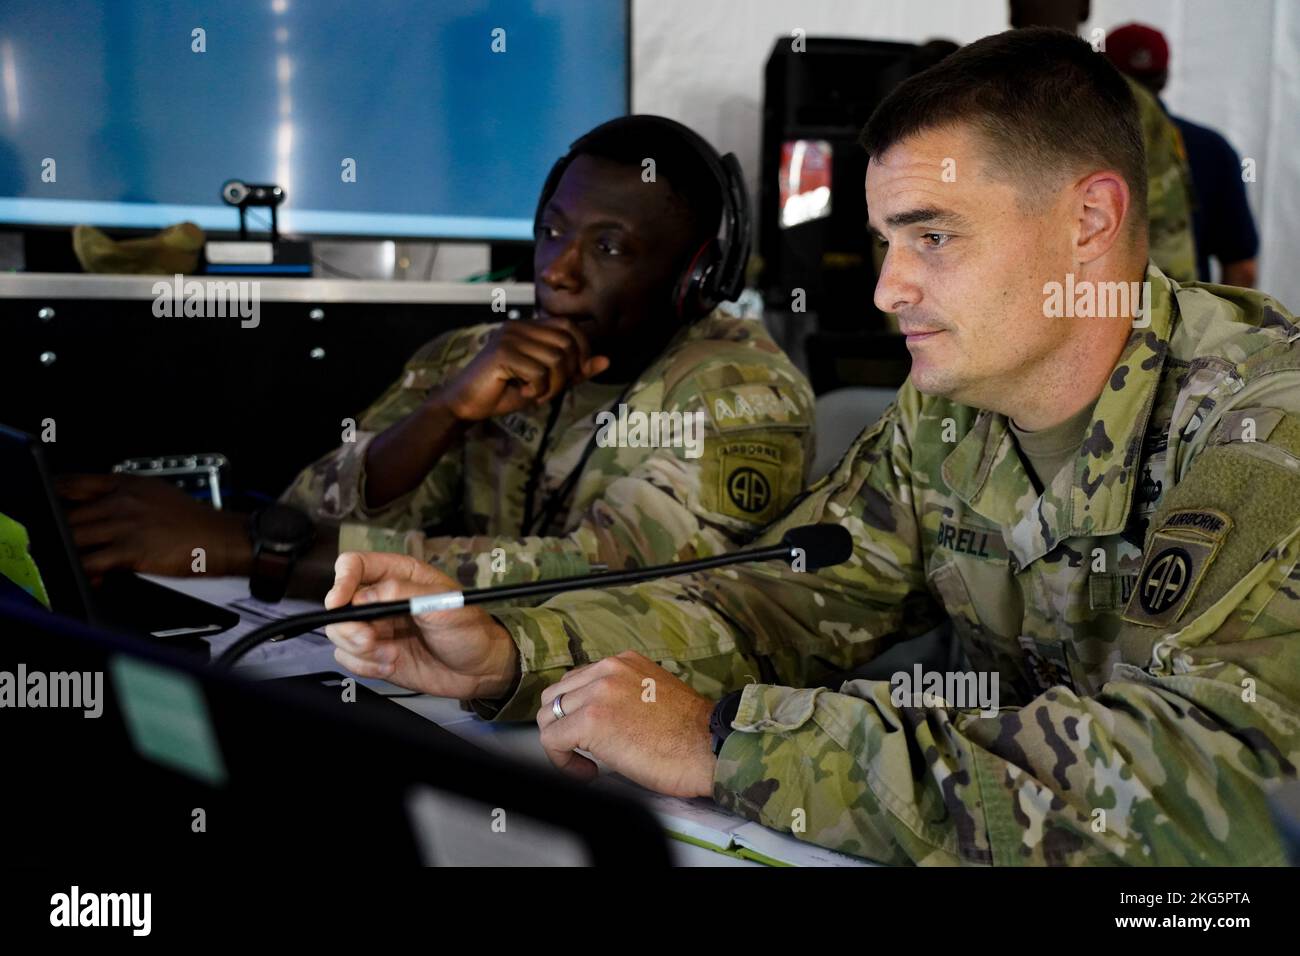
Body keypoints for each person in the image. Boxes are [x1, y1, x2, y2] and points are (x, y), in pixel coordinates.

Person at [322, 29, 1300, 866]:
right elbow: (775, 598)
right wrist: (510, 650)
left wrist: (729, 743)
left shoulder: (1264, 422)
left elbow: (1211, 785)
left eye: (934, 238)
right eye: (885, 241)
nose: (886, 289)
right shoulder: (943, 420)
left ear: (1087, 221)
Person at [58, 116, 814, 599]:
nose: (556, 269)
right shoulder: (478, 353)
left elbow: (612, 580)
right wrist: (443, 412)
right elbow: (311, 513)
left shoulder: (741, 393)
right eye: (552, 231)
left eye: (608, 247)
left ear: (696, 278)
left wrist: (262, 554)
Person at [1009, 0, 1199, 283]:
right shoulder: (1131, 103)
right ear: (1085, 8)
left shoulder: (964, 97)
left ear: (1011, 9)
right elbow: (1168, 242)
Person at [1105, 22, 1260, 287]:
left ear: (1101, 77)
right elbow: (1241, 267)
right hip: (1181, 320)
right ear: (1165, 76)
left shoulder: (1074, 147)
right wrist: (1221, 327)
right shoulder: (1212, 149)